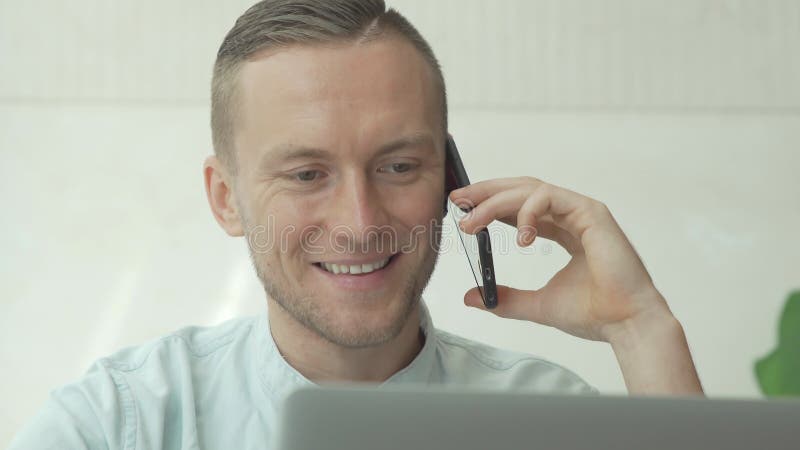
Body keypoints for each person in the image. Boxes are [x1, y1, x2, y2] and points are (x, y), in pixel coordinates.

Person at [9, 1, 703, 448]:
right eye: (307, 174)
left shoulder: (551, 422)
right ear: (225, 198)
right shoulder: (114, 425)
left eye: (399, 166)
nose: (360, 222)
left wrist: (639, 328)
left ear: (451, 180)